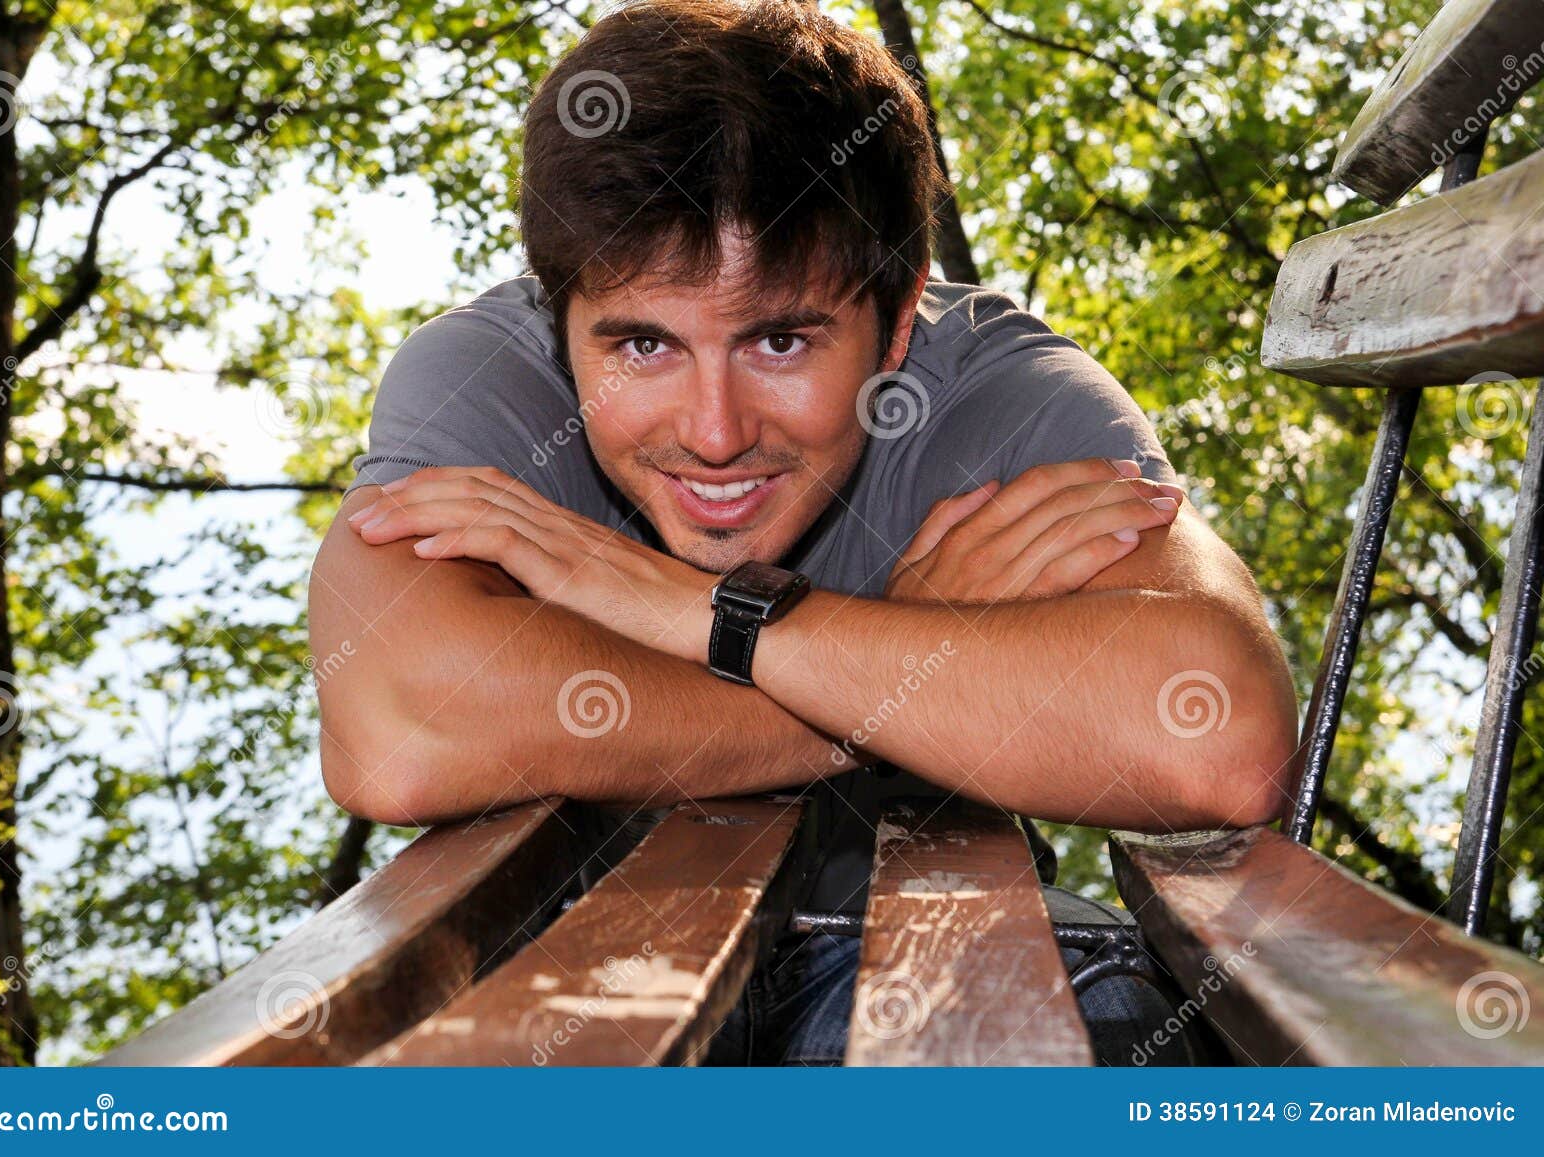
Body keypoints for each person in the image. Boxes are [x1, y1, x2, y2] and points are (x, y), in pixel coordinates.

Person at [309, 0, 1297, 1065]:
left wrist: (707, 618)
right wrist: (890, 654)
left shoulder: (996, 393)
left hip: (943, 971)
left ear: (900, 314)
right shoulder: (488, 382)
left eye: (779, 338)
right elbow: (401, 732)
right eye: (642, 344)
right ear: (557, 319)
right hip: (573, 993)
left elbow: (1209, 738)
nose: (715, 432)